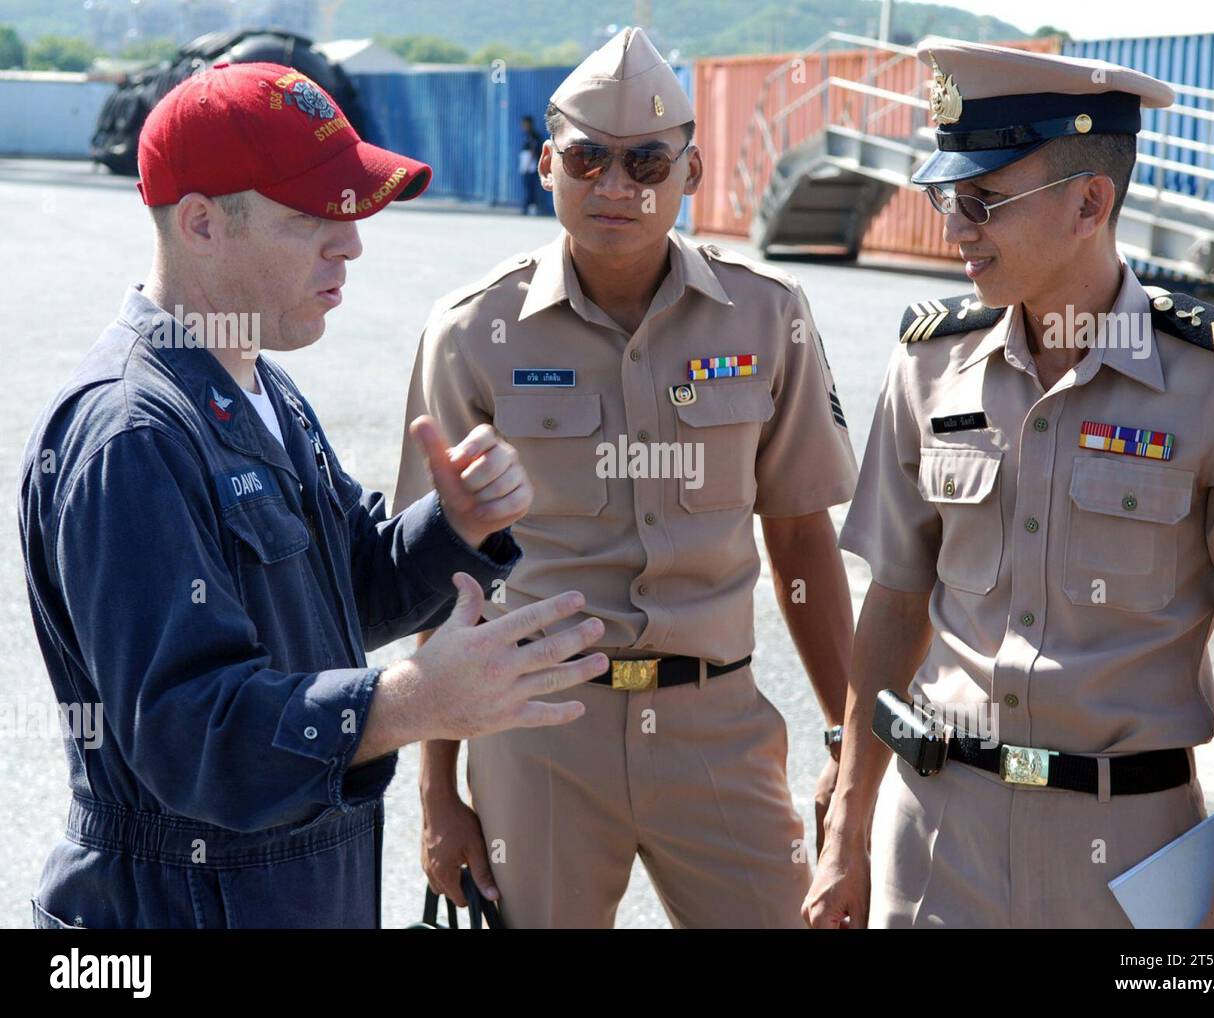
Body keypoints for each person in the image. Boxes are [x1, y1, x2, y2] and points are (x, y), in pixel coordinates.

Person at [18, 61, 608, 930]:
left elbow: (342, 592)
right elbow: (191, 732)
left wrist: (458, 525)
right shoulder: (133, 437)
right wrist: (414, 700)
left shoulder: (257, 383)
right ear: (201, 224)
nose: (352, 243)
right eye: (312, 219)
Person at [805, 38, 1214, 929]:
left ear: (1089, 202)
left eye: (983, 202)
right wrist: (848, 819)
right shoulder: (930, 362)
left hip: (1131, 863)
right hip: (936, 841)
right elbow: (894, 603)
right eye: (947, 198)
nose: (955, 228)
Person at [394, 27, 858, 928]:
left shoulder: (767, 316)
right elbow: (440, 576)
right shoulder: (469, 332)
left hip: (715, 724)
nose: (616, 187)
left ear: (690, 173)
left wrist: (847, 740)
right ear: (546, 164)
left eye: (648, 162)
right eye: (588, 158)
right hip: (536, 731)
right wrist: (437, 792)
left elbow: (802, 536)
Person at [519, 114, 544, 214]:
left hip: (531, 167)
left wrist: (528, 165)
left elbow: (533, 151)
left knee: (531, 188)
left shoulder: (533, 135)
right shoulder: (526, 135)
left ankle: (530, 208)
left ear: (530, 124)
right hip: (527, 166)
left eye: (525, 124)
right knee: (528, 187)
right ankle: (528, 207)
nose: (523, 126)